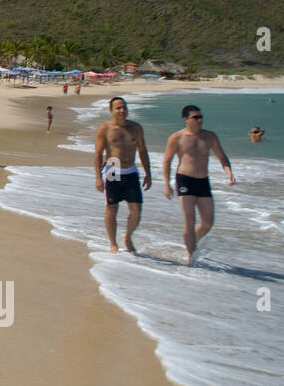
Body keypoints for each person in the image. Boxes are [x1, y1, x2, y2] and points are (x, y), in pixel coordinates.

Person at [163, 105, 235, 264]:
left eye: (201, 116)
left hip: (203, 181)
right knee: (190, 219)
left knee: (208, 221)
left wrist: (229, 173)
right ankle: (191, 257)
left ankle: (190, 241)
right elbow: (167, 161)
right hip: (184, 179)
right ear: (186, 119)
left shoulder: (210, 136)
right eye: (195, 117)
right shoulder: (176, 137)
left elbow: (222, 157)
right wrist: (167, 185)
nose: (200, 120)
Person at [94, 96, 151, 253]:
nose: (122, 110)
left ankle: (128, 237)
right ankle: (113, 243)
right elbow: (98, 153)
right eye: (118, 108)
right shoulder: (105, 129)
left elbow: (143, 150)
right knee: (112, 209)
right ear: (111, 111)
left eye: (124, 107)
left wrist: (148, 173)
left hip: (131, 171)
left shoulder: (136, 128)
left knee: (136, 210)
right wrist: (98, 178)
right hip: (113, 169)